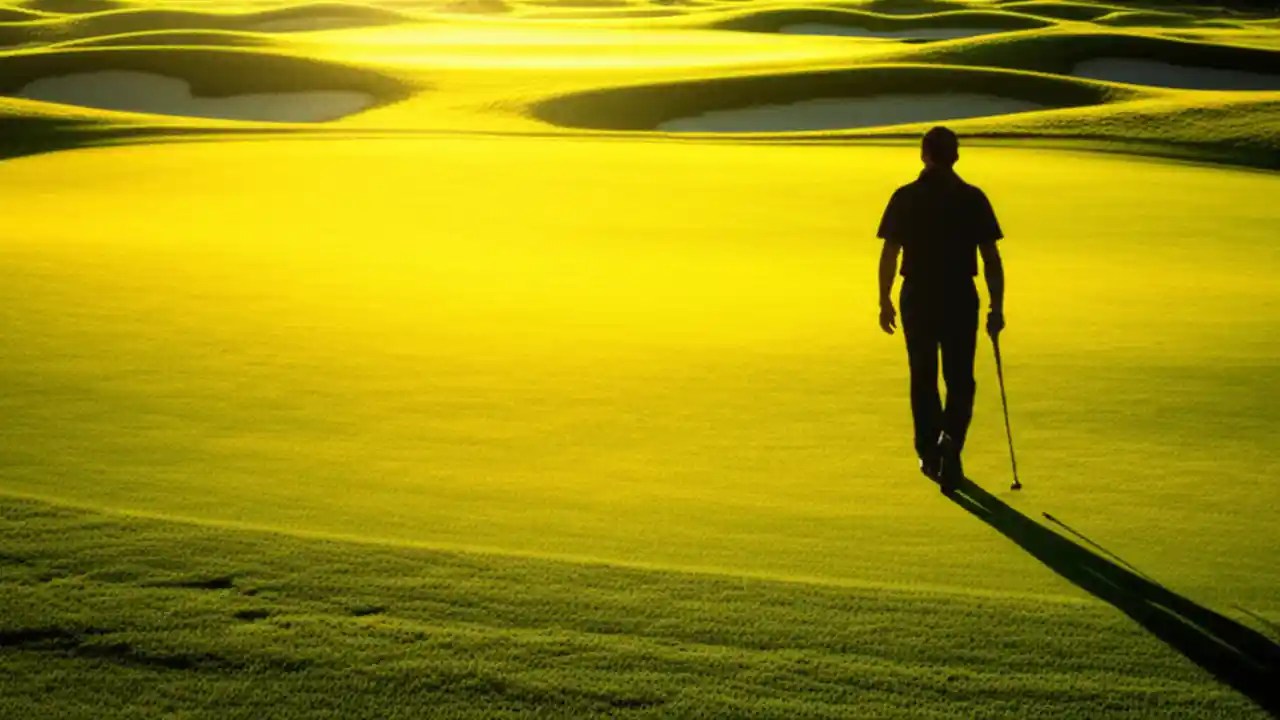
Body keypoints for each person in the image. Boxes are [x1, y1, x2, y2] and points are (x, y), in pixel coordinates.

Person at [875, 126, 1005, 488]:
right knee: (960, 378)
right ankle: (952, 441)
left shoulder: (905, 197)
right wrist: (996, 306)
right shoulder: (972, 198)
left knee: (923, 376)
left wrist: (884, 299)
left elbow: (889, 253)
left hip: (918, 294)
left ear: (924, 155)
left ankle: (929, 451)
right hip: (959, 295)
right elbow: (991, 259)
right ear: (956, 156)